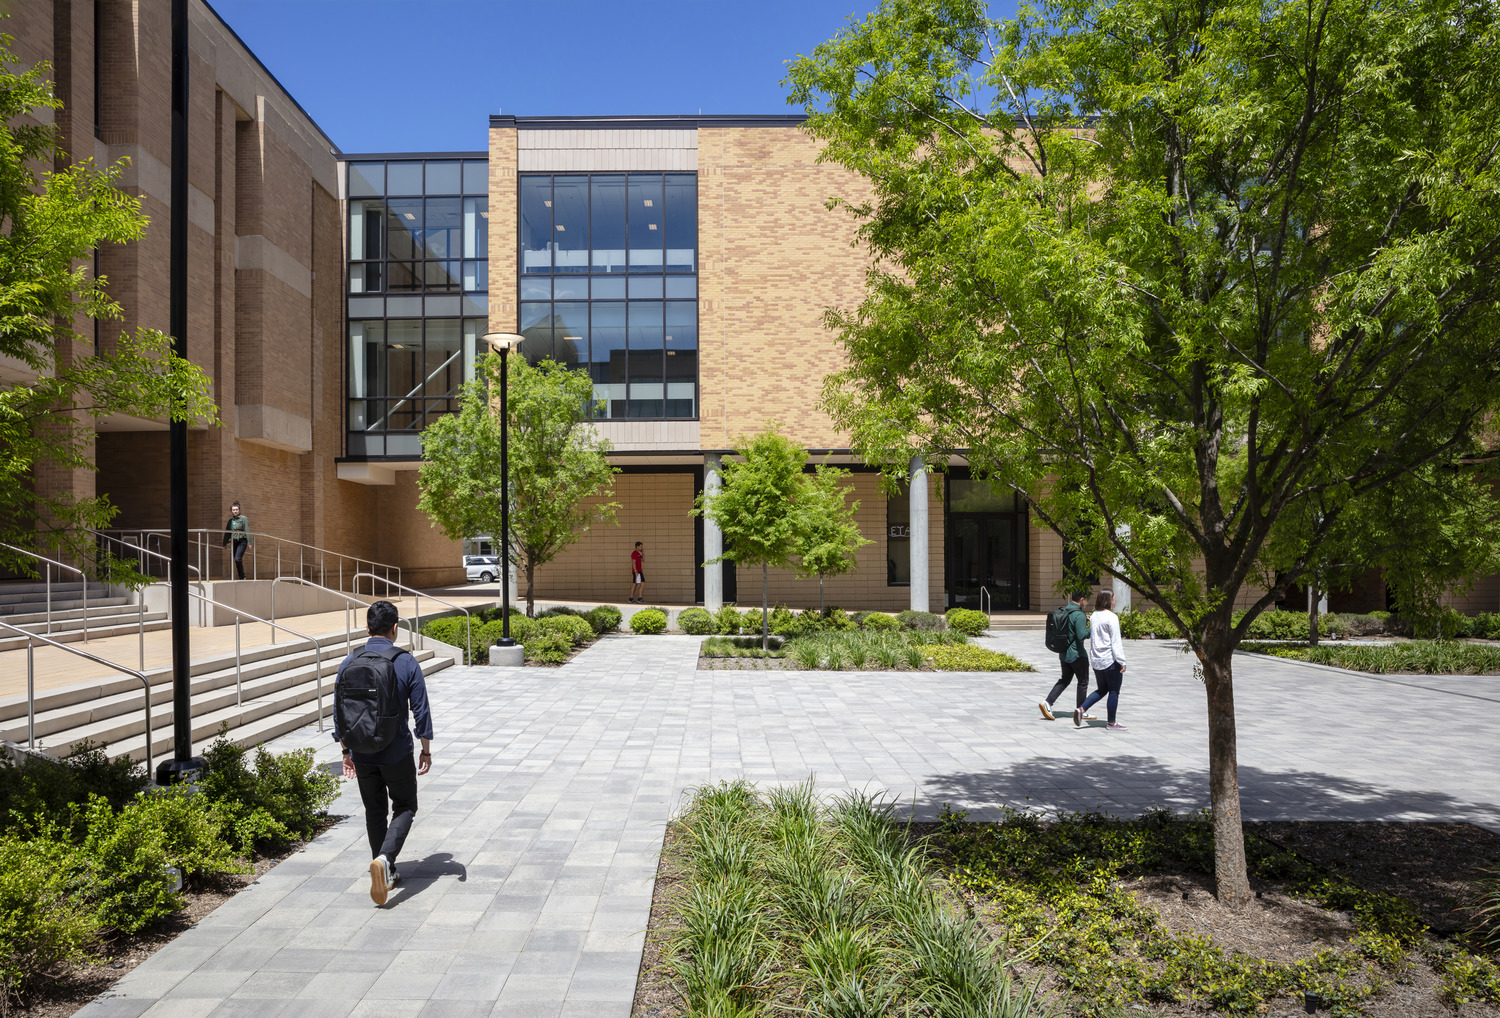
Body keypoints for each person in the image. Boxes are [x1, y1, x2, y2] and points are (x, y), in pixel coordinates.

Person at [334, 600, 433, 905]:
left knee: (375, 811)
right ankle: (385, 861)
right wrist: (425, 749)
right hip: (396, 751)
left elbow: (339, 711)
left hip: (362, 751)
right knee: (404, 806)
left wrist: (346, 751)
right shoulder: (405, 662)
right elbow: (421, 711)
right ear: (395, 628)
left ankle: (383, 864)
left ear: (367, 628)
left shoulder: (349, 661)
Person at [1077, 589, 1128, 730]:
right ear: (1108, 600)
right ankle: (1111, 723)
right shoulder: (1112, 617)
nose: (1115, 600)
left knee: (1102, 689)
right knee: (1113, 691)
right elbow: (1116, 642)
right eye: (1113, 597)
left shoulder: (1094, 616)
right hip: (1110, 660)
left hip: (1096, 660)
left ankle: (1081, 709)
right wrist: (1122, 661)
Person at [1038, 592, 1093, 720]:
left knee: (1065, 680)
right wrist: (1093, 627)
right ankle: (1081, 710)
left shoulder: (1065, 610)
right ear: (1082, 599)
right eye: (1086, 600)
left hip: (1064, 653)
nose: (1087, 603)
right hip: (1077, 654)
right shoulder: (1079, 614)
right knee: (1083, 682)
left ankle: (1047, 703)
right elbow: (1081, 635)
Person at [221, 501, 251, 579]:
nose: (235, 511)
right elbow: (227, 533)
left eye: (236, 509)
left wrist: (249, 542)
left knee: (238, 558)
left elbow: (247, 530)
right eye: (233, 510)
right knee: (236, 559)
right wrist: (224, 543)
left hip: (242, 540)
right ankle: (241, 576)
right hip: (234, 541)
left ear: (239, 510)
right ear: (231, 511)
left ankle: (242, 576)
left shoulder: (244, 518)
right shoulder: (230, 521)